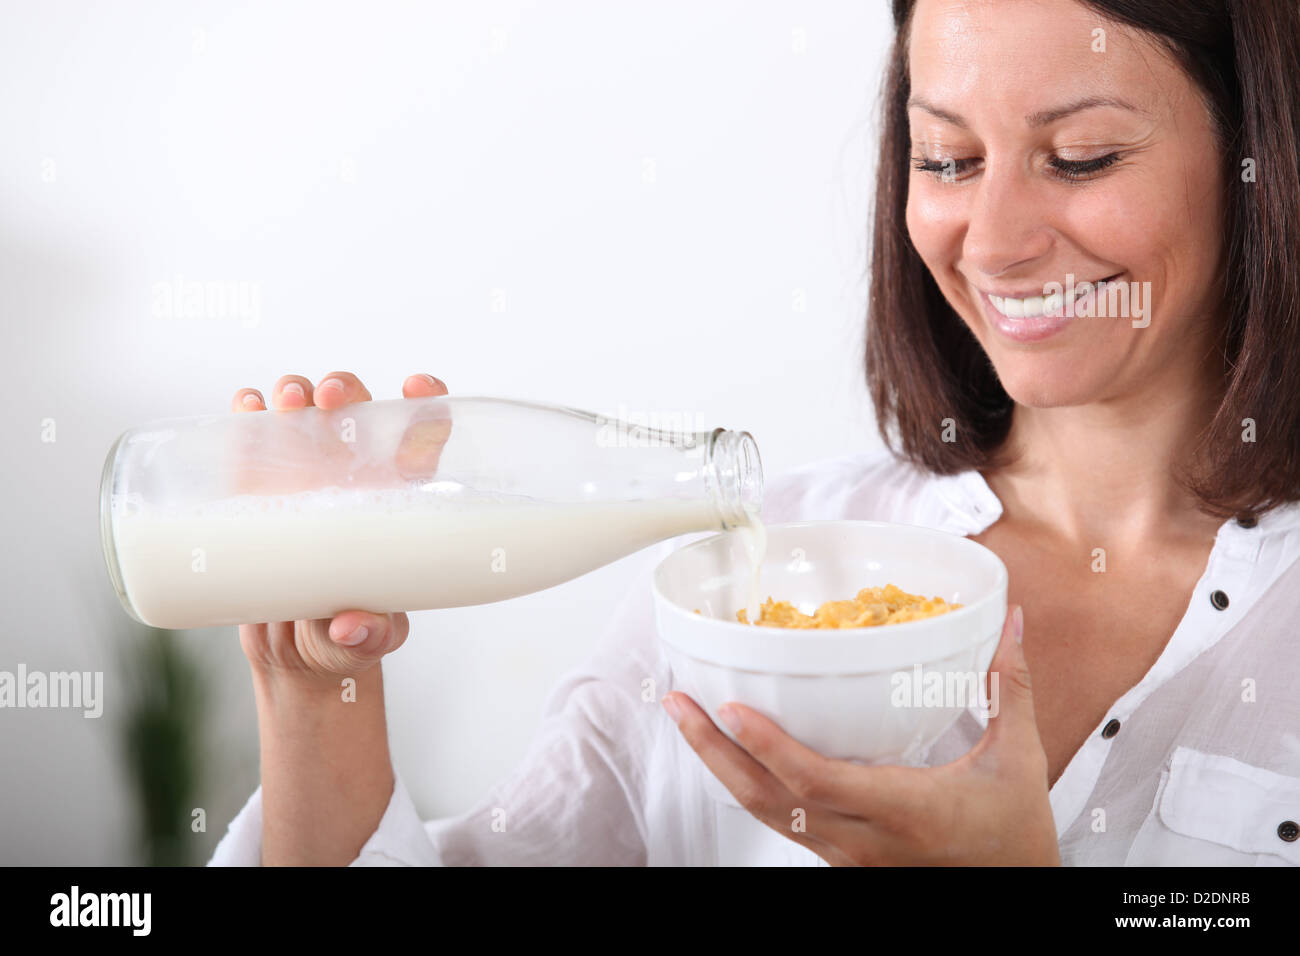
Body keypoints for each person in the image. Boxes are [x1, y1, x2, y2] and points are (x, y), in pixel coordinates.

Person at [211, 0, 1300, 866]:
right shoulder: (754, 569)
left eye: (1079, 158)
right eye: (947, 159)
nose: (996, 240)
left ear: (1257, 157)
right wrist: (317, 694)